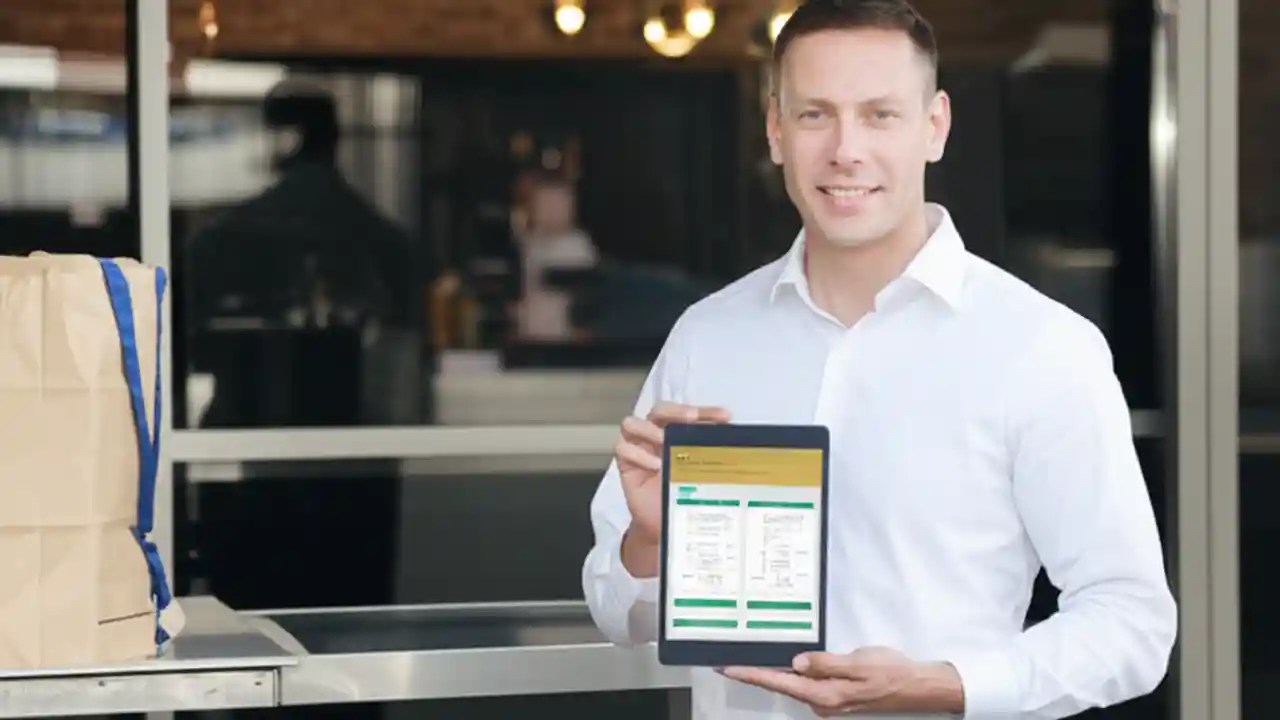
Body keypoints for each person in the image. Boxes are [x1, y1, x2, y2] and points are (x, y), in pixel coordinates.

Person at [580, 1, 1177, 718]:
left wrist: (946, 685)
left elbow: (1132, 624)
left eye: (880, 115)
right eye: (815, 115)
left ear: (935, 127)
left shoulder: (1042, 348)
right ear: (775, 130)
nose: (845, 149)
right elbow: (621, 618)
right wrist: (649, 543)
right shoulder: (708, 338)